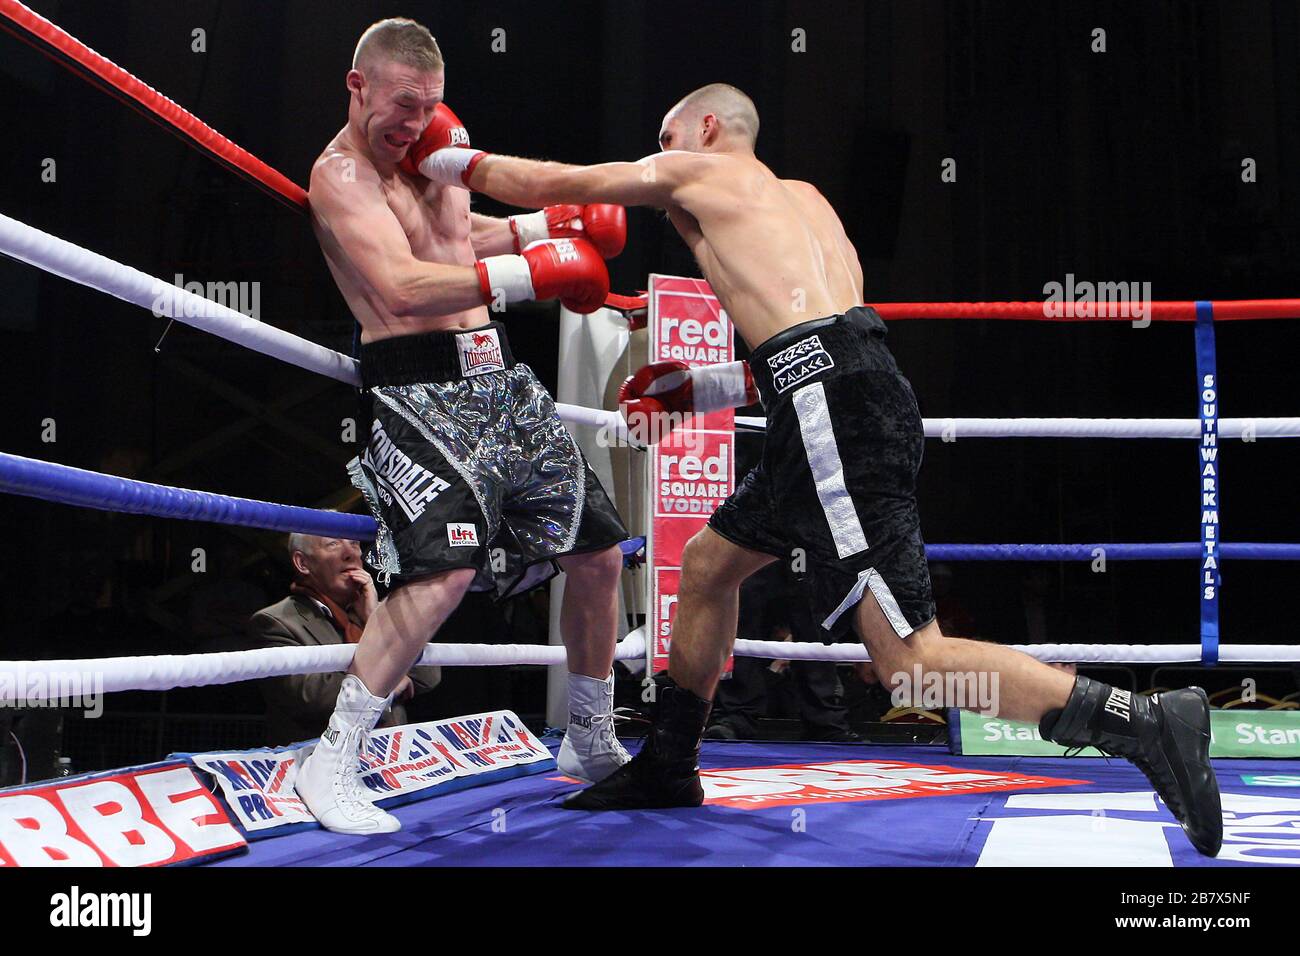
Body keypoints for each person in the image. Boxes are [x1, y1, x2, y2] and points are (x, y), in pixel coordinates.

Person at [409, 82, 1222, 855]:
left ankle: (1140, 717)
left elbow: (566, 181)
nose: (656, 158)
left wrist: (443, 156)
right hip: (836, 407)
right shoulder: (807, 205)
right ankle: (669, 761)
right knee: (707, 565)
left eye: (665, 139)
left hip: (835, 418)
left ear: (709, 130)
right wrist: (704, 387)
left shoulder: (705, 168)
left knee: (908, 660)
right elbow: (812, 343)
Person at [295, 18, 632, 834]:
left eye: (430, 106)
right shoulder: (340, 175)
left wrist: (539, 228)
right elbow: (406, 285)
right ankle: (330, 760)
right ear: (358, 86)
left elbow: (451, 240)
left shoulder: (433, 149)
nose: (414, 123)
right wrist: (530, 272)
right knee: (438, 575)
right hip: (417, 388)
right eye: (402, 105)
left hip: (501, 380)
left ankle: (587, 736)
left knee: (596, 551)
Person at [250, 534, 440, 746]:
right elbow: (312, 698)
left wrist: (374, 618)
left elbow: (427, 675)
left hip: (392, 759)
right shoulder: (275, 622)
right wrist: (388, 681)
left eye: (355, 544)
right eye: (333, 544)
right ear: (303, 563)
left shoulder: (374, 611)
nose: (350, 554)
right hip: (318, 765)